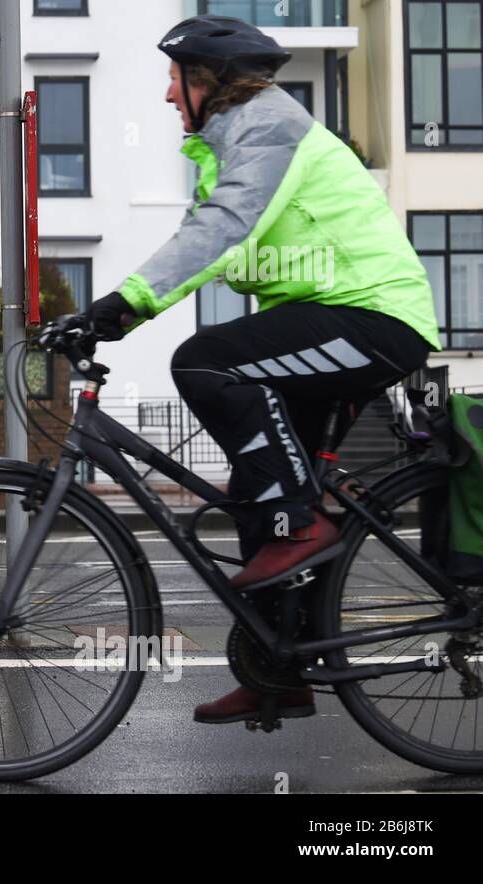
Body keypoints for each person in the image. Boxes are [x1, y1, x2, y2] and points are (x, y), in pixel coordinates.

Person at [84, 15, 440, 724]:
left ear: (209, 81)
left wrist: (124, 306)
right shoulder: (230, 145)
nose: (165, 97)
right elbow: (208, 236)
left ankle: (299, 527)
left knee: (205, 361)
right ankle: (280, 666)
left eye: (173, 80)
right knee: (261, 491)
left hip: (375, 319)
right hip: (335, 318)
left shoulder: (268, 129)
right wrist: (113, 308)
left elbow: (221, 229)